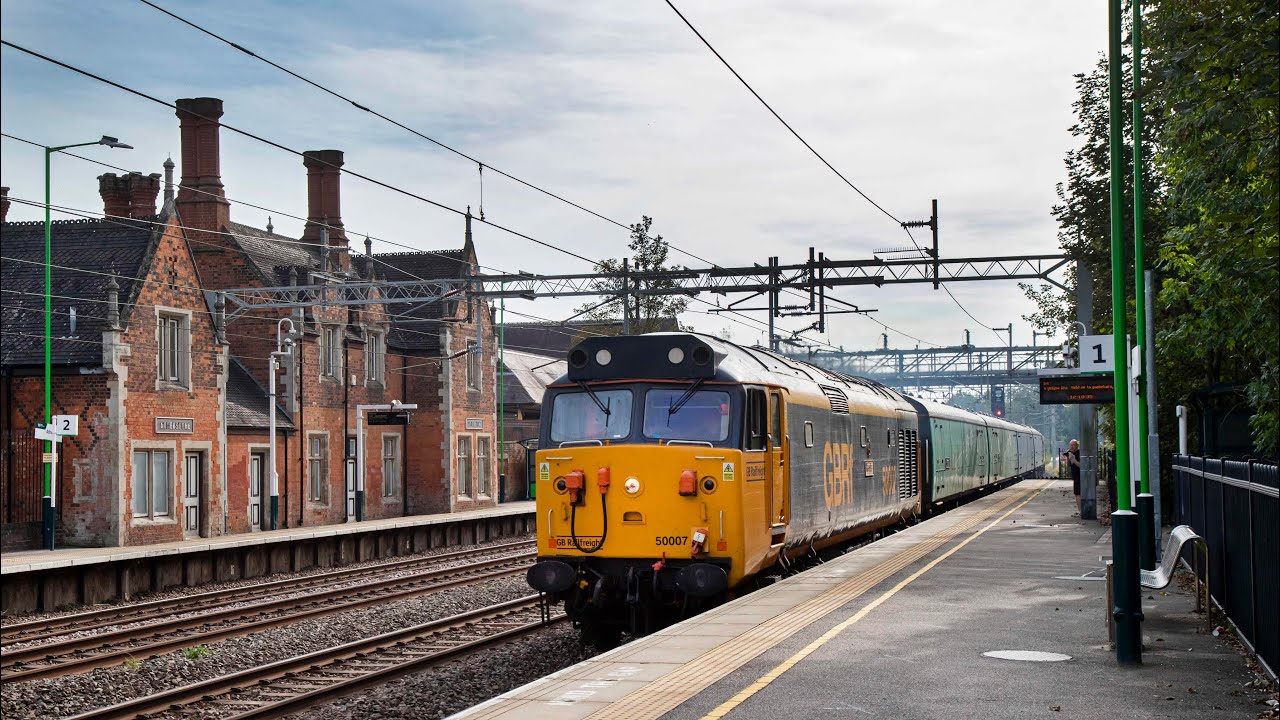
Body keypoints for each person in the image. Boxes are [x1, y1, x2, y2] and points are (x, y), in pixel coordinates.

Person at [1062, 439, 1082, 517]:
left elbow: (1082, 466)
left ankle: (1081, 511)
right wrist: (1068, 458)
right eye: (1070, 445)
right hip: (1076, 477)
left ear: (1077, 445)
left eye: (1073, 445)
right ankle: (1080, 510)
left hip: (1080, 476)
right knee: (1077, 494)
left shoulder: (1080, 453)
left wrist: (1073, 459)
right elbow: (1069, 466)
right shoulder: (1071, 453)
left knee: (1079, 494)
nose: (1071, 447)